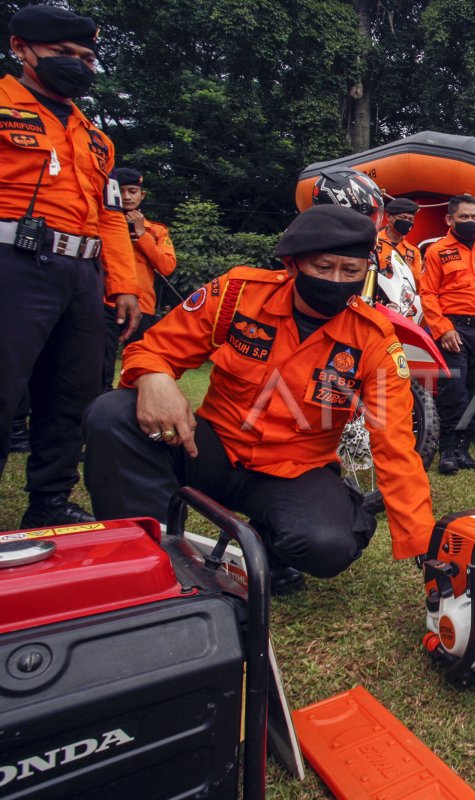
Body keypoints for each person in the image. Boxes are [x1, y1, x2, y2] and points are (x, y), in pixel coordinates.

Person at [82, 205, 435, 594]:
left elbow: (395, 446)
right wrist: (153, 375)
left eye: (350, 272)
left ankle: (269, 551)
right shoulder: (238, 294)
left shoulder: (374, 341)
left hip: (294, 470)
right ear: (292, 264)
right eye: (323, 267)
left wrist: (424, 545)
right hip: (210, 451)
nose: (336, 280)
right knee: (113, 413)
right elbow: (155, 348)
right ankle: (147, 553)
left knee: (328, 544)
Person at [1, 5, 142, 527]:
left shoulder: (95, 138)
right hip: (13, 264)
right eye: (64, 55)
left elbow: (110, 219)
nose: (78, 66)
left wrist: (124, 285)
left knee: (72, 397)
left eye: (86, 58)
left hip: (83, 276)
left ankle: (50, 504)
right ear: (21, 48)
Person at [420, 194, 475, 474]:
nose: (470, 222)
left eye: (474, 217)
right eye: (464, 217)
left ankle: (464, 450)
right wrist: (443, 330)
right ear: (450, 219)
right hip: (454, 329)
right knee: (454, 390)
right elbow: (427, 293)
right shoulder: (437, 251)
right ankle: (448, 451)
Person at [101, 167, 177, 389]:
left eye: (132, 191)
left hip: (143, 307)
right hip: (106, 302)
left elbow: (167, 266)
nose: (126, 197)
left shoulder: (156, 230)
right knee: (99, 363)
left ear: (141, 194)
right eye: (121, 191)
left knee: (140, 362)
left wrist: (141, 234)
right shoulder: (102, 224)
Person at [378, 196, 422, 277]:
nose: (407, 222)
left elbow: (420, 283)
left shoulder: (413, 251)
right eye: (403, 217)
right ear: (388, 217)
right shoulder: (374, 242)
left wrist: (409, 270)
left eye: (411, 219)